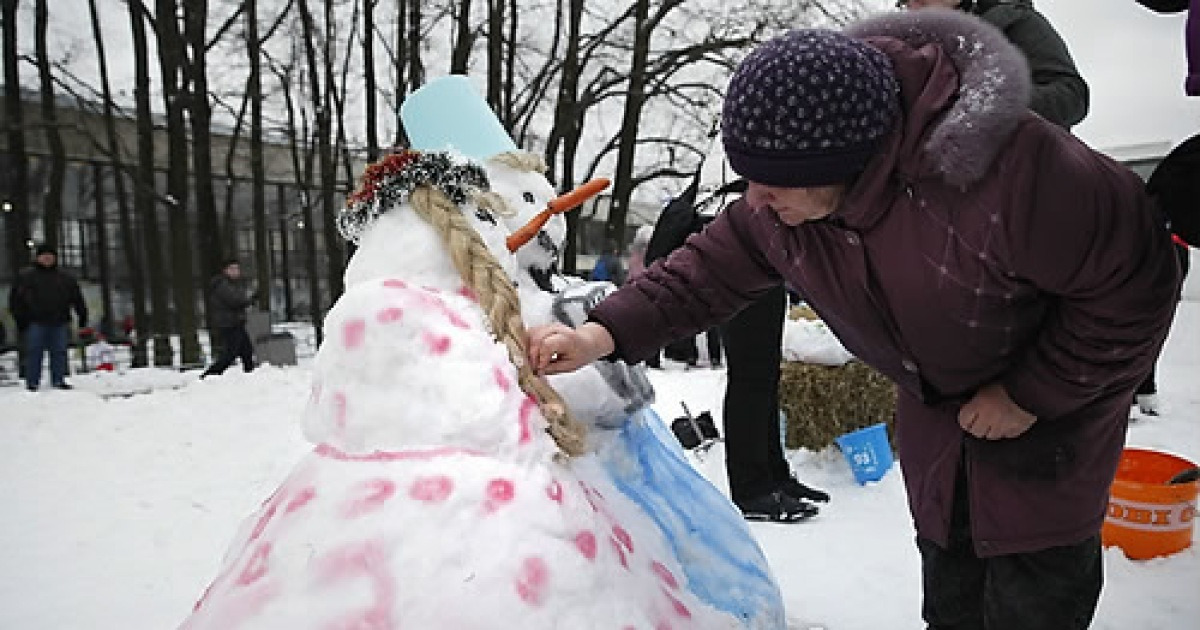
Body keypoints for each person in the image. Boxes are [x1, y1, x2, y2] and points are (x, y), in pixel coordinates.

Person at [528, 12, 1180, 630]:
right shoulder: (786, 207)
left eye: (773, 182)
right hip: (941, 428)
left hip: (1048, 435)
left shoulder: (1013, 171)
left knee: (1031, 599)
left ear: (843, 162)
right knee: (952, 598)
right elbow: (703, 271)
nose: (755, 200)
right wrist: (599, 333)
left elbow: (1137, 283)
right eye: (749, 179)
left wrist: (1030, 394)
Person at [901, 0, 1089, 129]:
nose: (913, 4)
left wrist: (993, 104)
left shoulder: (1014, 21)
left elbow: (1073, 96)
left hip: (1027, 166)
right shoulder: (908, 52)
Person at [8, 244, 88, 391]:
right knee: (34, 352)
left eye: (50, 256)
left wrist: (82, 315)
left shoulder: (65, 278)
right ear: (38, 257)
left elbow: (77, 298)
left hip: (59, 320)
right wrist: (21, 320)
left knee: (59, 352)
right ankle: (32, 382)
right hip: (35, 321)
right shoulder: (26, 277)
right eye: (44, 256)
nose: (47, 258)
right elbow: (16, 300)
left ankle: (58, 379)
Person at [200, 259, 256, 377]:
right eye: (232, 269)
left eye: (237, 269)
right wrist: (250, 300)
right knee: (230, 354)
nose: (236, 271)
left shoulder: (233, 284)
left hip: (236, 322)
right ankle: (209, 375)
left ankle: (250, 374)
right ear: (225, 270)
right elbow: (234, 301)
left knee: (247, 350)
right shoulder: (222, 285)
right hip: (229, 323)